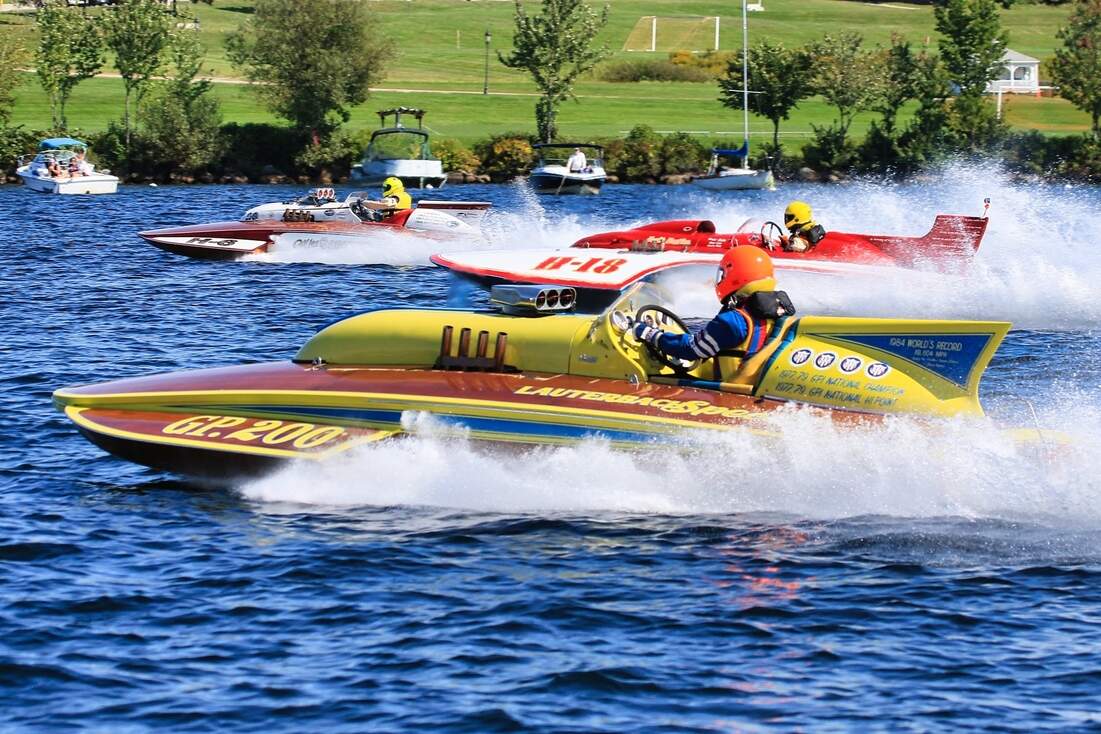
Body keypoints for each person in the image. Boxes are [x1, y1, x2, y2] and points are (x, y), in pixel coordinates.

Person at [633, 246, 795, 370]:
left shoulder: (733, 320)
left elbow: (691, 349)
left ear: (736, 276)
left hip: (731, 386)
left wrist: (652, 335)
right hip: (749, 378)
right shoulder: (777, 310)